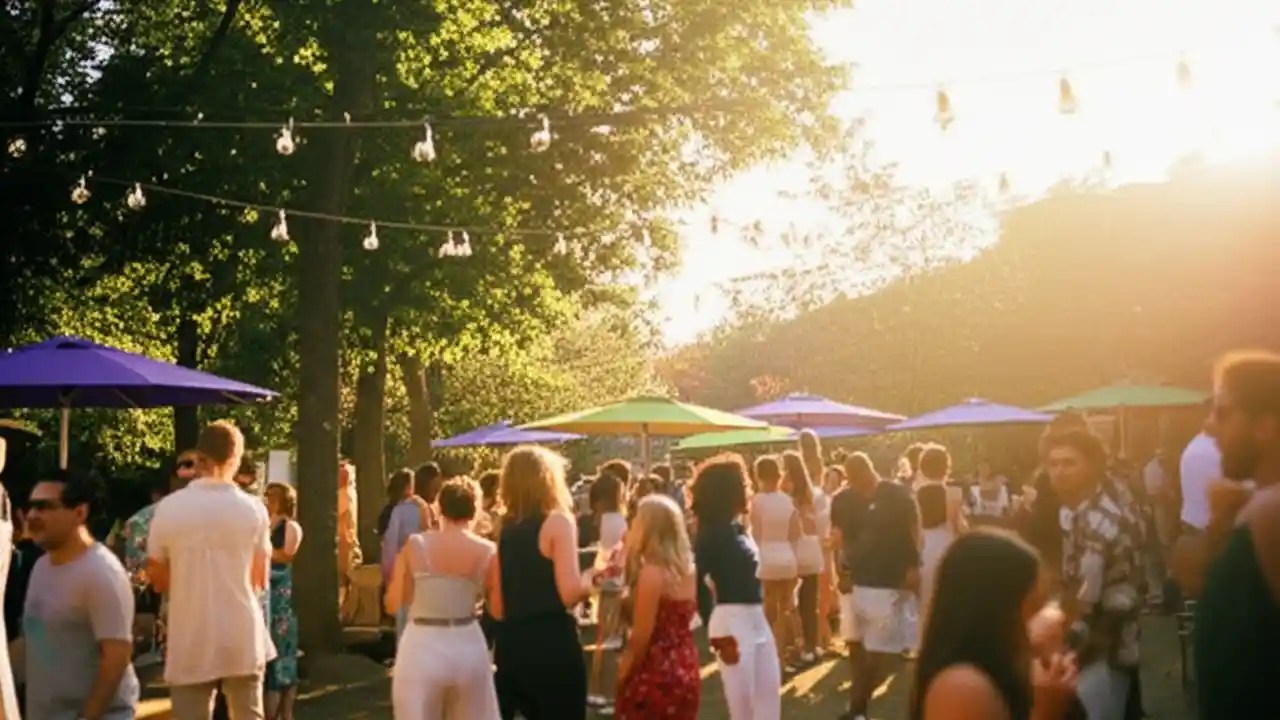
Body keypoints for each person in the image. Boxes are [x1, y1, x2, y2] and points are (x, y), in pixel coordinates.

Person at [148, 420, 274, 720]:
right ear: (236, 458)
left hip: (190, 631)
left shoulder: (168, 509)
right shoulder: (254, 509)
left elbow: (158, 579)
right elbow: (260, 579)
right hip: (242, 631)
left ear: (198, 456)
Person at [1190, 351, 1280, 718]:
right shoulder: (1259, 507)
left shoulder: (1271, 513)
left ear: (1265, 425)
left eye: (1223, 412)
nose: (1210, 426)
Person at [912, 531, 1078, 720]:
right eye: (1033, 608)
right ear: (996, 611)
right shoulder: (961, 687)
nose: (1038, 622)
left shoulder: (1003, 670)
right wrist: (1047, 712)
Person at [1044, 429, 1144, 720]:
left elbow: (1113, 605)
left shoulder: (1102, 521)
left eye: (1069, 463)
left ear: (1092, 466)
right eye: (1054, 463)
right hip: (1087, 646)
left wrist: (1073, 655)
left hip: (1104, 653)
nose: (1059, 471)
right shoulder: (1073, 512)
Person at [490, 446, 595, 720]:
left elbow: (498, 606)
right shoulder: (558, 522)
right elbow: (569, 593)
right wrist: (593, 578)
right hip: (552, 645)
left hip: (512, 647)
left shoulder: (505, 529)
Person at [24, 469, 139, 720]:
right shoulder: (40, 568)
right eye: (31, 506)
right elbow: (35, 640)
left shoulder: (101, 572)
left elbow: (116, 657)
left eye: (44, 507)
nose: (32, 515)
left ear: (79, 513)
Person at [390, 478, 500, 720]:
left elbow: (394, 601)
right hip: (467, 641)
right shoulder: (488, 551)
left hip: (422, 643)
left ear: (440, 507)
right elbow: (499, 610)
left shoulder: (415, 545)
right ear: (475, 509)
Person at [830, 451, 920, 720]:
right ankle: (859, 711)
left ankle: (857, 705)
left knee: (887, 653)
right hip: (856, 579)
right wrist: (840, 571)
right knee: (857, 648)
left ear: (872, 471)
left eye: (863, 479)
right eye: (854, 481)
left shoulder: (898, 494)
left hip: (889, 579)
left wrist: (913, 566)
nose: (860, 486)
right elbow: (838, 538)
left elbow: (913, 530)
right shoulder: (843, 500)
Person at [691, 453, 781, 720]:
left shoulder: (737, 529)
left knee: (768, 703)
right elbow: (697, 584)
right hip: (731, 621)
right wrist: (713, 631)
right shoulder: (711, 533)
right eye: (743, 484)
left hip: (756, 617)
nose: (749, 489)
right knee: (744, 710)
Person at [614, 495, 701, 719]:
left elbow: (642, 635)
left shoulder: (652, 573)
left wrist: (624, 669)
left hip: (656, 668)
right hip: (685, 662)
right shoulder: (688, 570)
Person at [750, 455, 800, 667]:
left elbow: (756, 533)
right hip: (787, 557)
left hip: (767, 557)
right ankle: (785, 649)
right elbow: (795, 534)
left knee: (768, 608)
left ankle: (770, 654)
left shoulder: (757, 501)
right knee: (785, 606)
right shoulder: (789, 501)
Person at [263, 483, 303, 720]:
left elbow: (287, 555)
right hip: (264, 591)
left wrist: (263, 550)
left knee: (283, 648)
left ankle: (284, 710)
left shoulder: (290, 527)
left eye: (273, 497)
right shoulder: (264, 524)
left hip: (281, 593)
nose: (268, 501)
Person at [916, 445, 966, 624]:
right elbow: (957, 525)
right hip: (945, 544)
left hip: (923, 547)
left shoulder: (915, 494)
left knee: (925, 600)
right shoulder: (952, 493)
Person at [381, 468, 432, 640]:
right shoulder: (424, 508)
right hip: (424, 571)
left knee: (403, 619)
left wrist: (387, 572)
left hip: (403, 569)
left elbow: (390, 542)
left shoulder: (399, 510)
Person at [783, 450, 823, 664]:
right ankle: (812, 644)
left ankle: (800, 644)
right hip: (812, 548)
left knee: (791, 602)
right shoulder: (810, 493)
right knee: (809, 600)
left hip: (795, 548)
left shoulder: (788, 495)